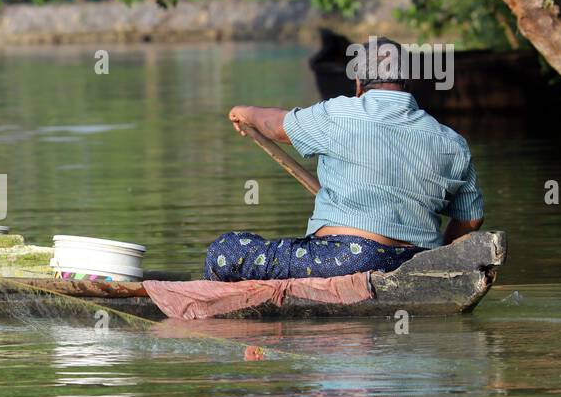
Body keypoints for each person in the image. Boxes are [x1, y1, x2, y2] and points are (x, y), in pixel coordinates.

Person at [204, 37, 484, 281]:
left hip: (346, 258)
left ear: (359, 83)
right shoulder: (453, 142)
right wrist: (436, 260)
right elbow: (471, 220)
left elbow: (276, 126)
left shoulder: (339, 113)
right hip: (416, 263)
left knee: (226, 250)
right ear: (407, 84)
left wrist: (245, 112)